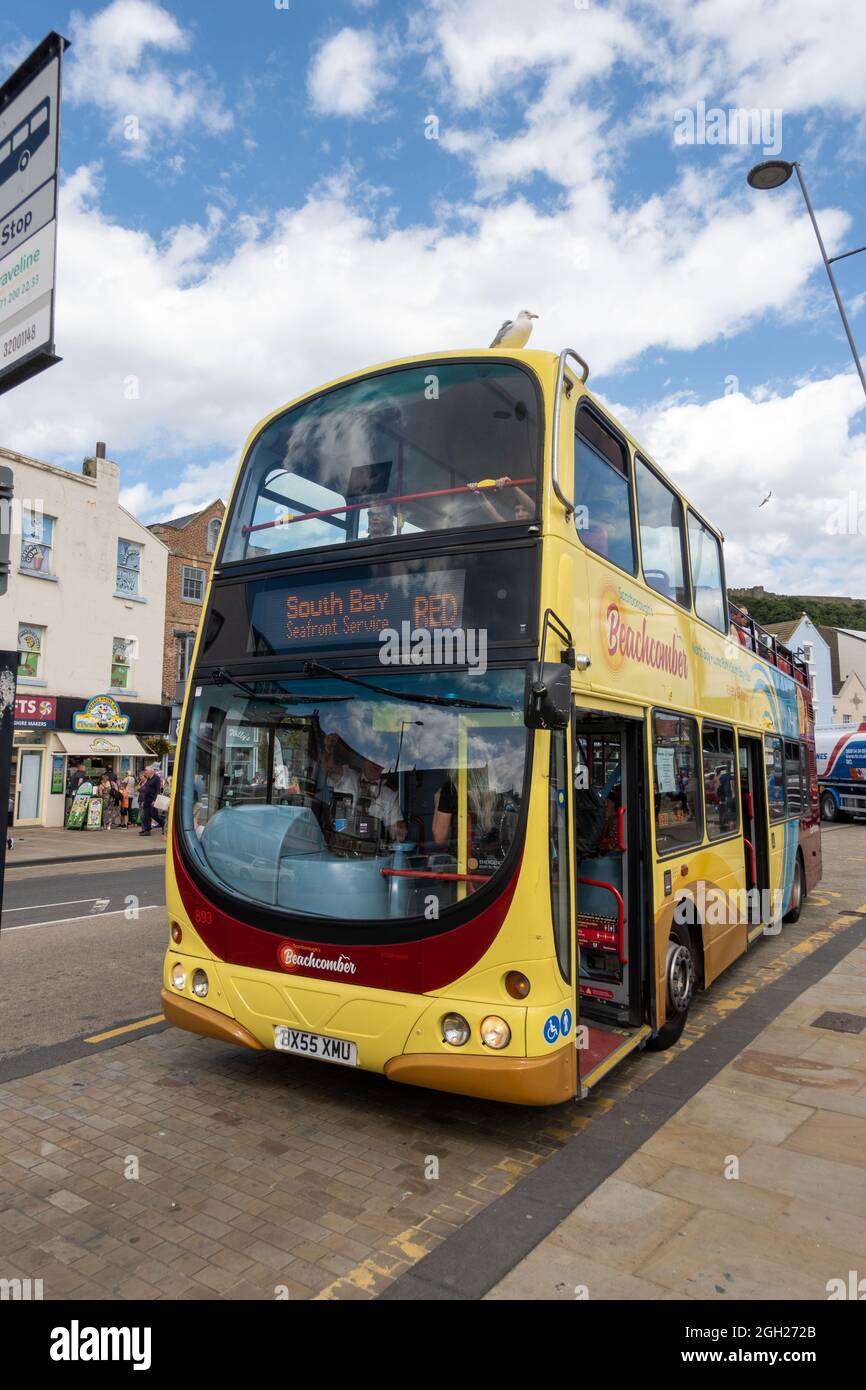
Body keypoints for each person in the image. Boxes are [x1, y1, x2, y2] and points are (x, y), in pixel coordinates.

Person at [466, 476, 534, 523]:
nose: (520, 514)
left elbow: (532, 509)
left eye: (524, 510)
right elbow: (493, 514)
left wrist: (511, 485)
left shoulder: (537, 526)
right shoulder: (512, 529)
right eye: (517, 510)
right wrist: (478, 493)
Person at [368, 774, 407, 842]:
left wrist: (398, 830)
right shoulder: (347, 776)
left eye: (379, 763)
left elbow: (396, 824)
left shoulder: (387, 792)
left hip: (371, 843)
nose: (375, 764)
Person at [139, 764, 164, 836]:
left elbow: (158, 790)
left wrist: (155, 800)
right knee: (146, 815)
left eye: (146, 771)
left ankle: (163, 824)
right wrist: (143, 800)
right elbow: (146, 789)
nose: (145, 772)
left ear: (151, 771)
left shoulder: (156, 778)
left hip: (152, 799)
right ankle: (147, 830)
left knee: (154, 815)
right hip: (147, 799)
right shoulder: (149, 778)